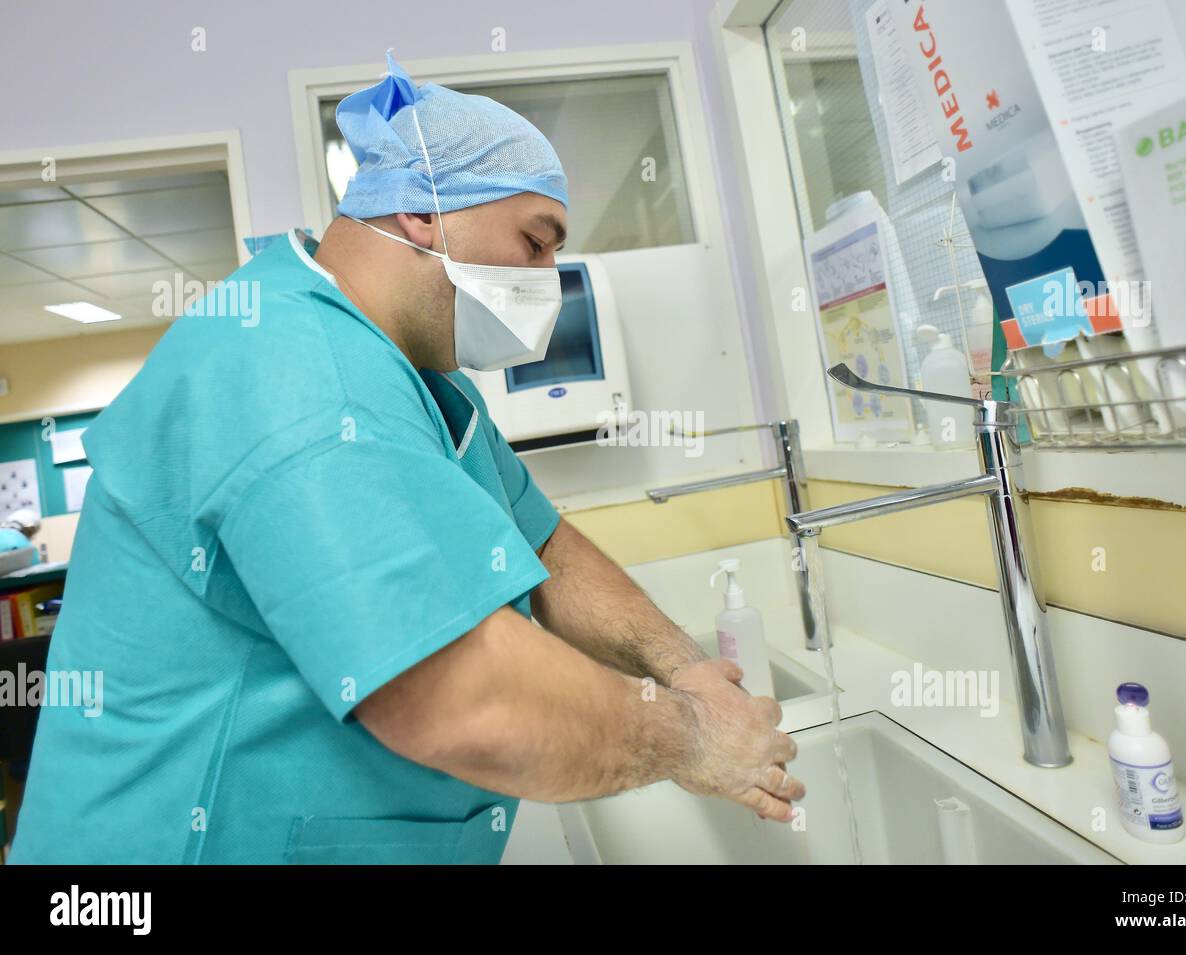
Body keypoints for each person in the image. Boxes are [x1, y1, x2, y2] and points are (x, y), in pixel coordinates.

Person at [9, 52, 802, 864]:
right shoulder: (290, 368)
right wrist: (691, 737)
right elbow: (464, 700)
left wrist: (686, 670)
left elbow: (541, 544)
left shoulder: (422, 377)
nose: (548, 279)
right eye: (535, 242)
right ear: (426, 209)